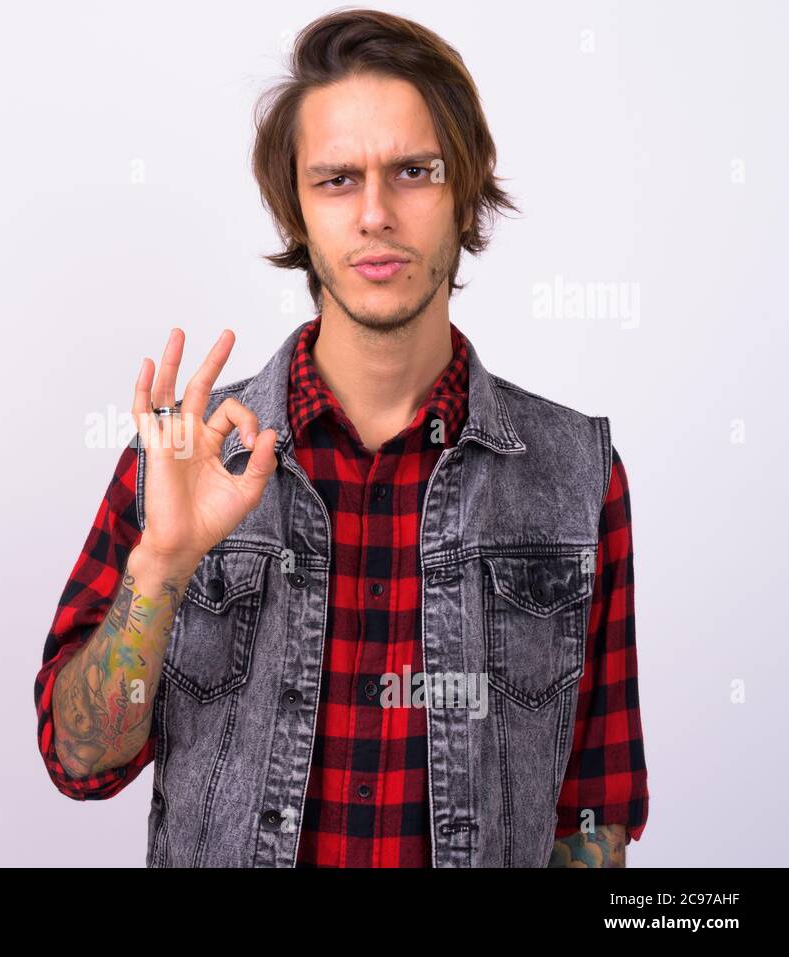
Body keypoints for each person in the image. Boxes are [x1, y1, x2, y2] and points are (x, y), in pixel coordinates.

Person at [34, 7, 647, 867]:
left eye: (414, 172)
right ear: (297, 211)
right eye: (335, 180)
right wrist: (162, 566)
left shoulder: (576, 476)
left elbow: (592, 811)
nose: (375, 214)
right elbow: (80, 762)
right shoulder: (181, 460)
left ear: (464, 188)